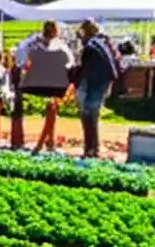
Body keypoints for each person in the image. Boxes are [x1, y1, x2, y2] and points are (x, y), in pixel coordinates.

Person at [18, 21, 73, 153]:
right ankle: (42, 144)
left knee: (52, 112)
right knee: (52, 112)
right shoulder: (61, 47)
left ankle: (49, 142)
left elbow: (24, 61)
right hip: (55, 85)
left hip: (36, 85)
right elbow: (70, 63)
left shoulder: (34, 45)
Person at [74, 19, 121, 159]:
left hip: (94, 82)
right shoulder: (101, 43)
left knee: (87, 115)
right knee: (92, 116)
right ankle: (93, 148)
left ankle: (90, 149)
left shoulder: (90, 46)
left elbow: (84, 68)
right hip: (103, 80)